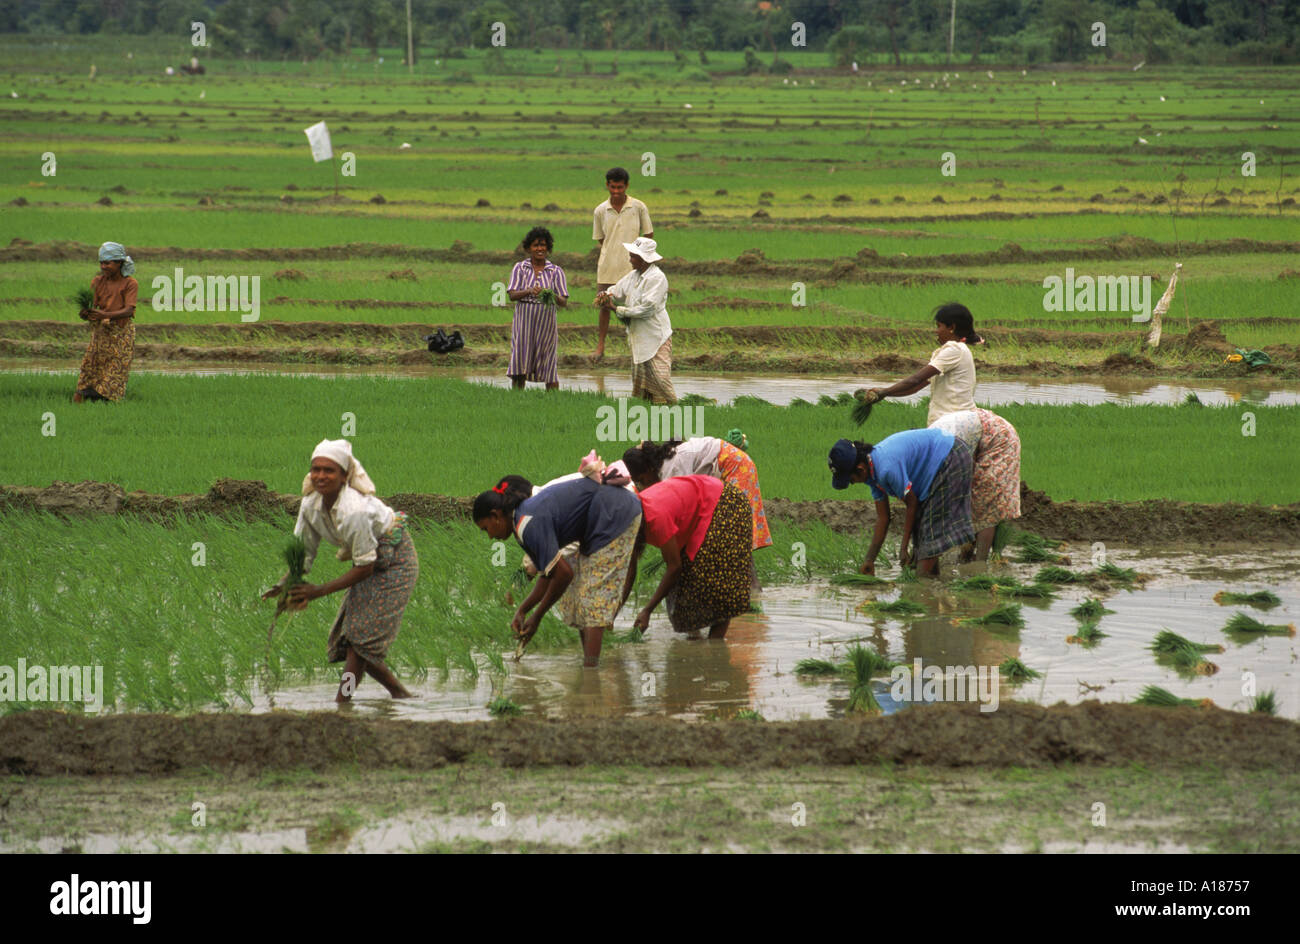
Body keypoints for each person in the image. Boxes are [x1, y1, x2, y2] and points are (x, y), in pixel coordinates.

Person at [263, 439, 419, 703]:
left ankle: (343, 702)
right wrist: (285, 584)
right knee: (354, 639)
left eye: (329, 471)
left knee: (360, 641)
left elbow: (366, 567)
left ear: (344, 476)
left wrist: (318, 591)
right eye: (316, 469)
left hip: (395, 561)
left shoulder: (353, 510)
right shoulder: (310, 505)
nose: (321, 476)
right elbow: (303, 554)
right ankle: (400, 694)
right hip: (369, 561)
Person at [473, 474, 642, 667]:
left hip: (616, 513)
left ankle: (591, 675)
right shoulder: (521, 524)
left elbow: (564, 574)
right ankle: (589, 664)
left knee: (592, 599)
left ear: (496, 516)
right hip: (599, 521)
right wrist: (523, 610)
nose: (489, 537)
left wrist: (537, 616)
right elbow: (548, 574)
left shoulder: (526, 522)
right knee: (577, 599)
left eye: (486, 529)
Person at [827, 430, 975, 578]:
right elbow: (883, 518)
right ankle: (935, 582)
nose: (853, 484)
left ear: (860, 469)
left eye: (851, 480)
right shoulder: (872, 475)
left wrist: (903, 547)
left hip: (950, 458)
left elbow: (912, 503)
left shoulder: (886, 468)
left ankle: (929, 585)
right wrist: (869, 560)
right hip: (939, 465)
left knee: (928, 544)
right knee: (921, 548)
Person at [631, 475, 753, 638]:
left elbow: (674, 568)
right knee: (683, 590)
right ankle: (695, 640)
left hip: (723, 502)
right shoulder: (632, 523)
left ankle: (715, 646)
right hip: (697, 514)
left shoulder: (655, 517)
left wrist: (647, 610)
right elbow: (630, 569)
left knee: (716, 581)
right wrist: (610, 614)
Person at [622, 438, 772, 550]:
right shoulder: (664, 465)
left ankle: (752, 586)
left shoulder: (672, 470)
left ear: (649, 468)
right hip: (722, 471)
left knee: (733, 531)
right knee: (722, 533)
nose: (643, 485)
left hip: (735, 466)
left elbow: (686, 505)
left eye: (642, 480)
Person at [858, 302, 981, 426]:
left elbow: (915, 380)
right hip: (953, 421)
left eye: (939, 326)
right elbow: (915, 388)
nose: (936, 331)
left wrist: (883, 392)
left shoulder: (955, 350)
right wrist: (883, 393)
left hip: (953, 422)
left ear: (951, 328)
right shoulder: (955, 351)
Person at [932, 409, 1022, 561]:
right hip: (981, 435)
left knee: (985, 504)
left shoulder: (945, 447)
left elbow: (961, 475)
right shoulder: (931, 447)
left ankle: (980, 562)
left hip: (1001, 439)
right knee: (971, 499)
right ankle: (966, 554)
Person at [595, 236, 676, 404]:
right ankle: (648, 410)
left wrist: (615, 309)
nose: (630, 260)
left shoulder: (656, 278)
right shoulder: (634, 275)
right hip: (638, 336)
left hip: (656, 336)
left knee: (661, 380)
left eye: (633, 256)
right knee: (641, 385)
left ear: (644, 259)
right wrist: (606, 294)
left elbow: (647, 309)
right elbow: (618, 289)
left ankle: (672, 407)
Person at [592, 166, 653, 359]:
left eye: (620, 187)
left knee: (634, 306)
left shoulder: (638, 207)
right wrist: (613, 250)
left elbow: (648, 234)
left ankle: (637, 346)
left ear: (626, 186)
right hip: (607, 265)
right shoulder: (601, 210)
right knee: (604, 305)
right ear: (607, 185)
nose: (616, 191)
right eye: (612, 187)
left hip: (631, 267)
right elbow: (601, 238)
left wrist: (637, 257)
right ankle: (600, 346)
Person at [74, 242, 138, 402]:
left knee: (115, 369)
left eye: (108, 263)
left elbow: (129, 310)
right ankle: (84, 400)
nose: (103, 266)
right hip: (101, 333)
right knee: (91, 366)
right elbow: (92, 308)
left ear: (119, 263)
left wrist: (104, 314)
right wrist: (86, 314)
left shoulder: (130, 283)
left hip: (121, 334)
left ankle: (106, 402)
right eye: (101, 263)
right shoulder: (97, 282)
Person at [505, 226, 568, 390]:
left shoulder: (556, 271)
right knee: (520, 355)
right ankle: (517, 395)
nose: (540, 249)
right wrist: (528, 290)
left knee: (547, 356)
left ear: (548, 248)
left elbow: (563, 301)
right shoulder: (520, 268)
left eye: (543, 245)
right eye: (535, 245)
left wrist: (549, 294)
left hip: (546, 320)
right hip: (524, 318)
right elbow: (512, 295)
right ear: (528, 248)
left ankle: (553, 399)